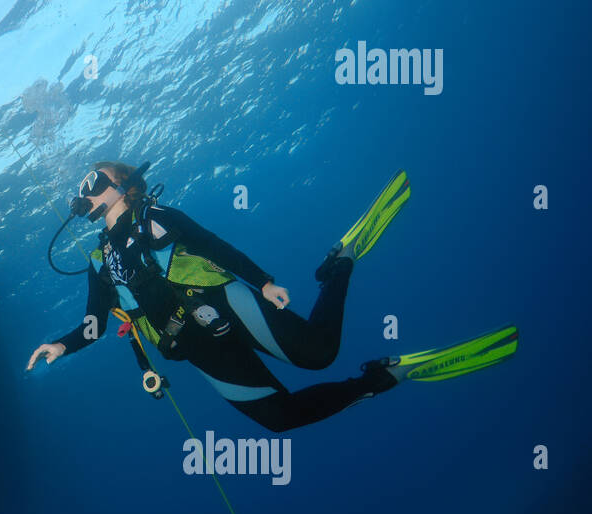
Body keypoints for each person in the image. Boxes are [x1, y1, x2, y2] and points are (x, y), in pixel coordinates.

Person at [27, 163, 517, 432]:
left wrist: (261, 281)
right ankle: (383, 377)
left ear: (121, 185)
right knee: (279, 420)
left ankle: (340, 261)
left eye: (91, 184)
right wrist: (62, 345)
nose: (82, 194)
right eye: (81, 190)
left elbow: (213, 245)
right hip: (195, 351)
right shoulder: (97, 260)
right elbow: (94, 321)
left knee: (319, 354)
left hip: (226, 309)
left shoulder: (157, 217)